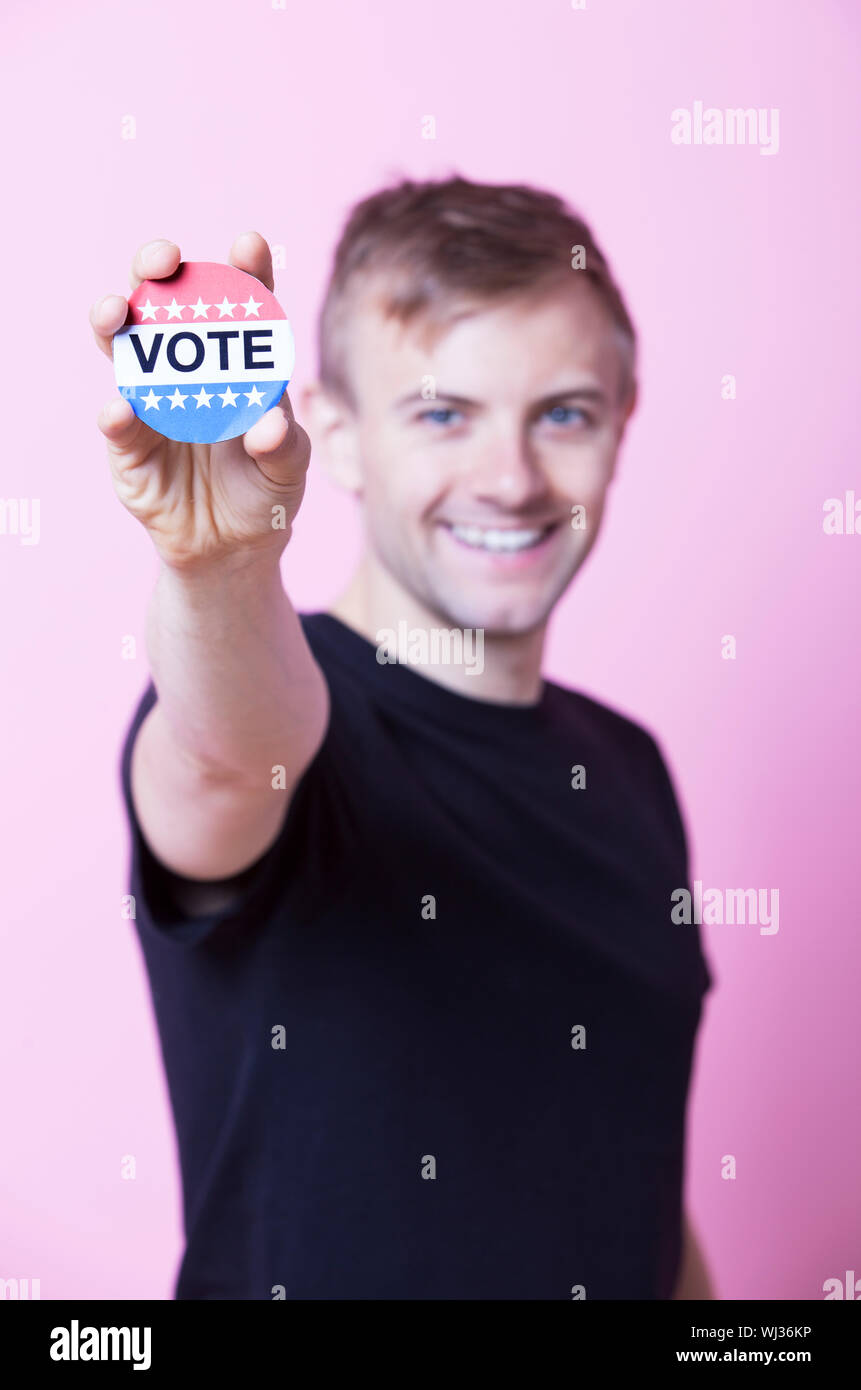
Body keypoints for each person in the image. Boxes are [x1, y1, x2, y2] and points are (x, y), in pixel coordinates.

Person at [91, 176, 714, 1300]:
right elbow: (228, 752)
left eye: (563, 412)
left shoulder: (632, 767)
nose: (513, 480)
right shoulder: (287, 716)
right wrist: (221, 570)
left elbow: (633, 1179)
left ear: (623, 426)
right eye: (441, 413)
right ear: (337, 433)